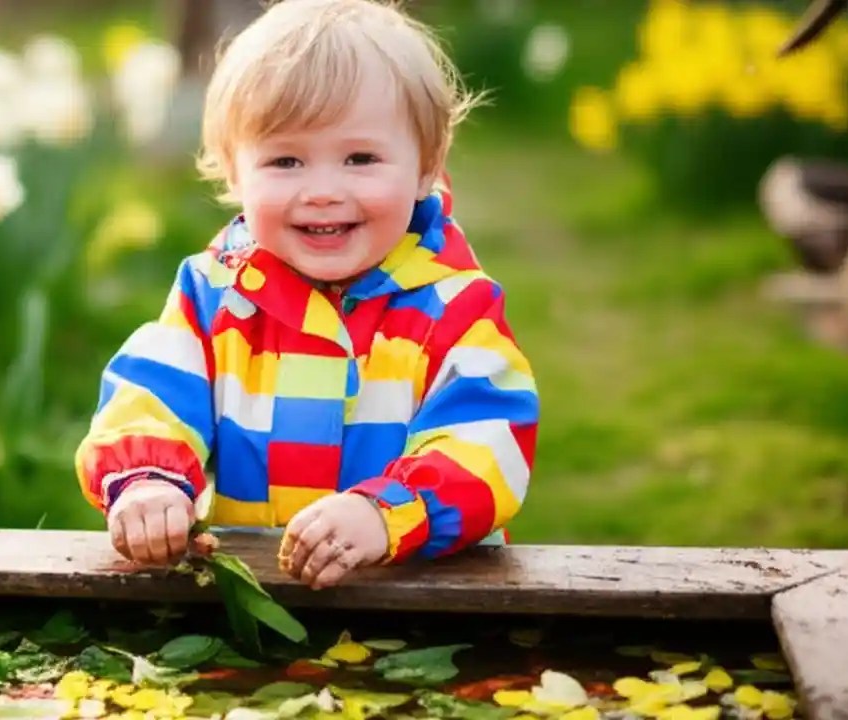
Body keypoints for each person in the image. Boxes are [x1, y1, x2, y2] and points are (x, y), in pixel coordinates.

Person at [75, 0, 538, 590]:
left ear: (427, 167)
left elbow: (488, 443)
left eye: (360, 158)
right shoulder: (217, 296)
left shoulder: (453, 308)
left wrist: (385, 512)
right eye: (285, 160)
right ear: (234, 173)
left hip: (421, 599)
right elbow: (153, 394)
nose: (323, 191)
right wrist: (147, 480)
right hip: (257, 599)